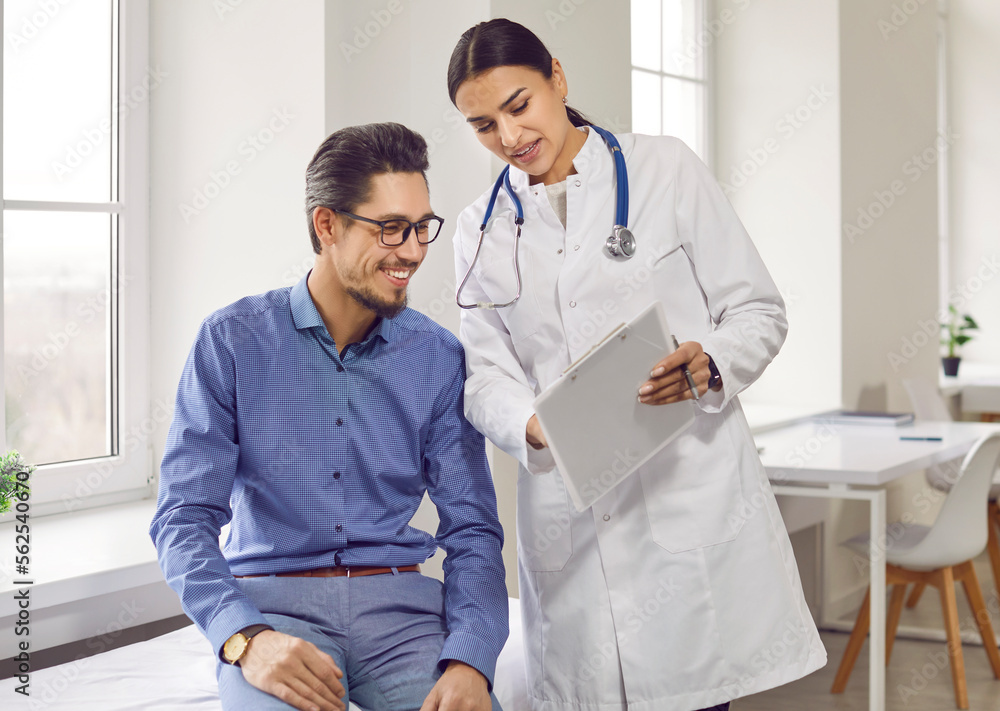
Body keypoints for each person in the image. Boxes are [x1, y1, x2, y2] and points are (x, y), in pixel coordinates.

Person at [446, 19, 826, 711]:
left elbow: (760, 311)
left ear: (557, 78)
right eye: (482, 125)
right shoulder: (477, 228)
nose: (507, 137)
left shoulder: (664, 169)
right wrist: (531, 425)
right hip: (569, 510)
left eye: (519, 104)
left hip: (683, 496)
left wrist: (709, 361)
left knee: (692, 695)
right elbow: (484, 373)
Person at [150, 122, 508, 711]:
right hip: (274, 614)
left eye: (422, 228)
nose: (414, 251)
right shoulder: (231, 341)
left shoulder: (439, 357)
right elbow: (183, 519)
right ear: (327, 225)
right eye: (392, 229)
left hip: (404, 623)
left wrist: (472, 656)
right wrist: (246, 638)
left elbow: (471, 531)